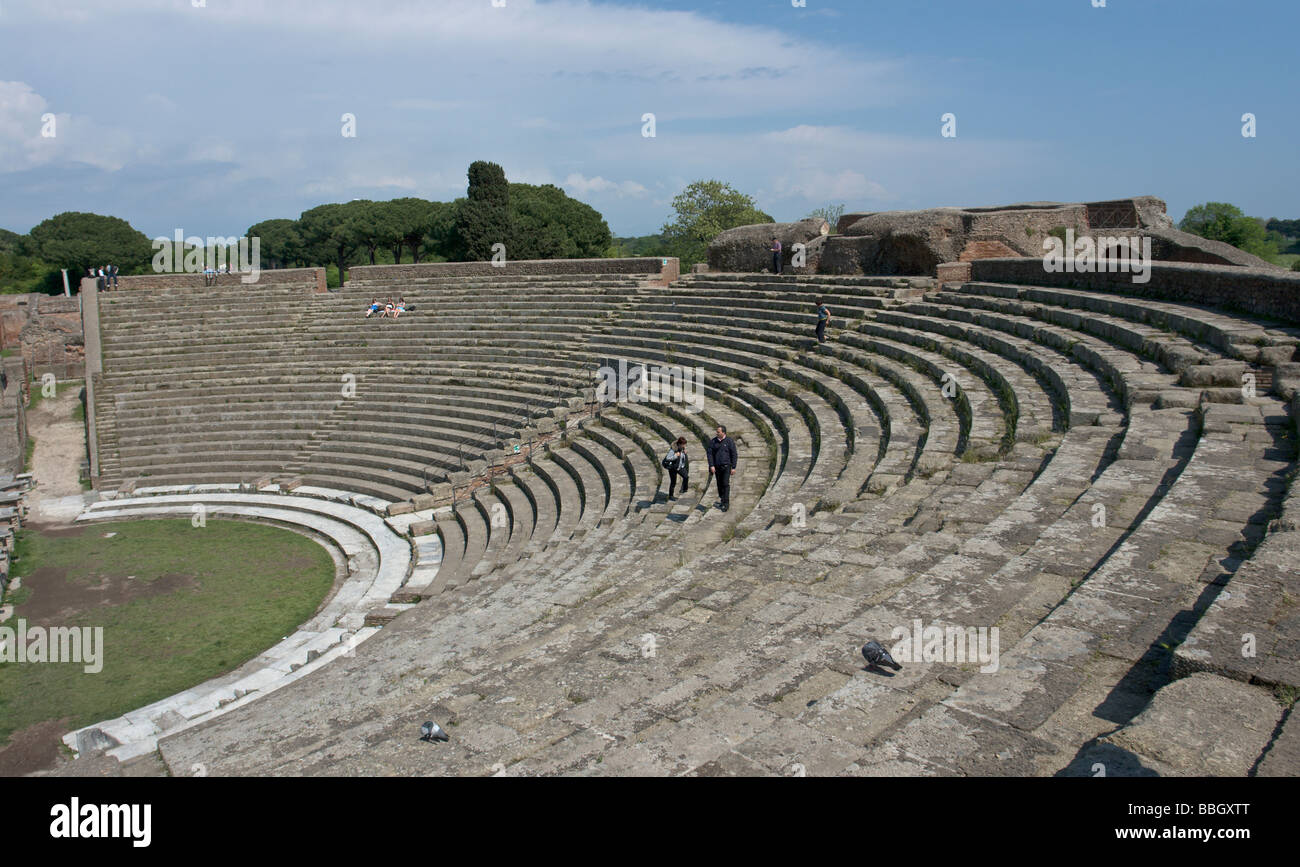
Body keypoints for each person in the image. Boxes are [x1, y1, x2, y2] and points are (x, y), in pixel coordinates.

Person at [707, 424, 738, 512]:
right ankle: (722, 499)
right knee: (719, 484)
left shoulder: (729, 441)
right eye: (717, 432)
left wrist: (733, 467)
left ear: (723, 432)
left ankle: (726, 503)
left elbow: (734, 454)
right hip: (717, 467)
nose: (716, 433)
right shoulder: (713, 441)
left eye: (718, 432)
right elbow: (709, 454)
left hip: (726, 466)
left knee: (725, 484)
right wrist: (711, 465)